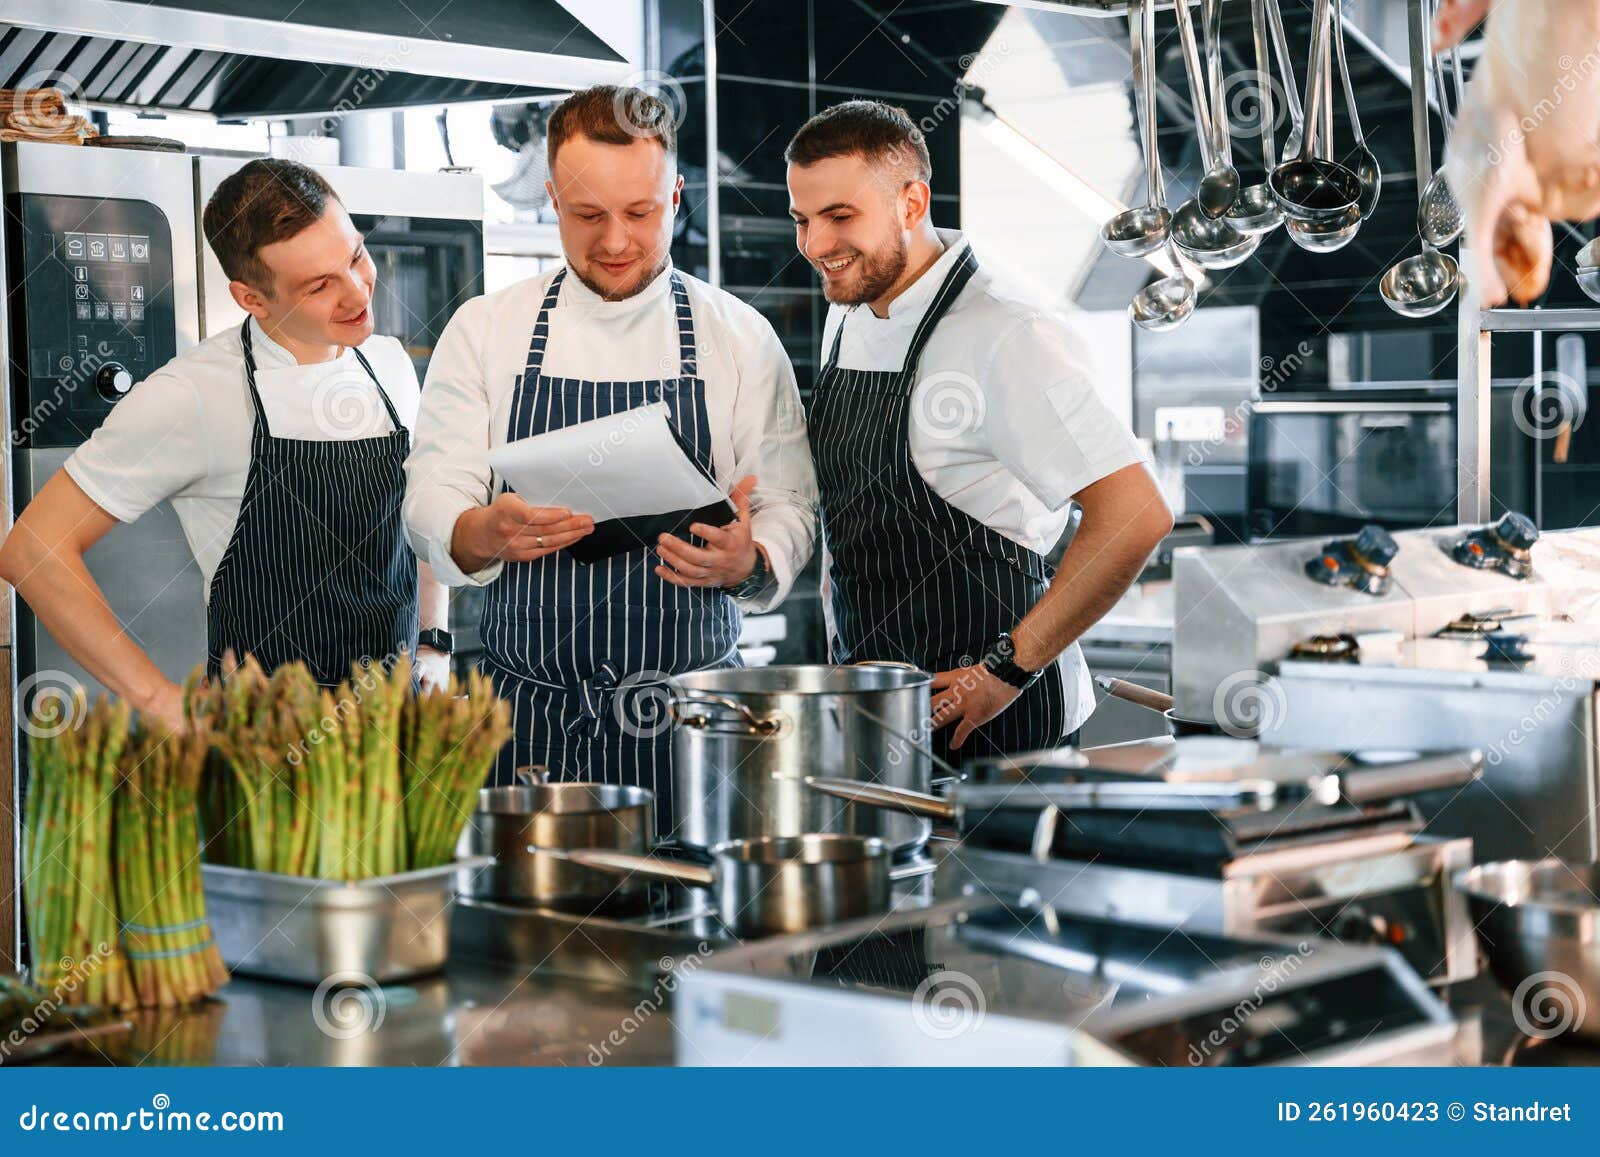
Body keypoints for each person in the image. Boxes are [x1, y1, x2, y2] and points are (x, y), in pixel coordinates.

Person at [404, 86, 816, 830]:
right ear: (552, 198)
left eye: (641, 212)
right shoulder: (486, 328)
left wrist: (748, 562)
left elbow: (790, 507)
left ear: (676, 195)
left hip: (691, 723)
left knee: (690, 926)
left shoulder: (741, 337)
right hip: (525, 723)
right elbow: (433, 494)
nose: (616, 241)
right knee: (528, 939)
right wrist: (481, 532)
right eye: (587, 215)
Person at [785, 100, 1173, 767]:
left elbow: (1136, 514)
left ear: (911, 205)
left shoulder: (1006, 333)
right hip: (885, 721)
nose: (817, 246)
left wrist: (1005, 672)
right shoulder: (848, 314)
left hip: (1007, 733)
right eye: (803, 220)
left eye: (841, 217)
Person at [0, 159, 450, 729]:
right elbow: (32, 551)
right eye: (319, 285)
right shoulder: (192, 395)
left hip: (397, 730)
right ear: (251, 298)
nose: (358, 291)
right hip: (262, 747)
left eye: (356, 256)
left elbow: (418, 519)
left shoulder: (388, 363)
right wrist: (163, 702)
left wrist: (433, 640)